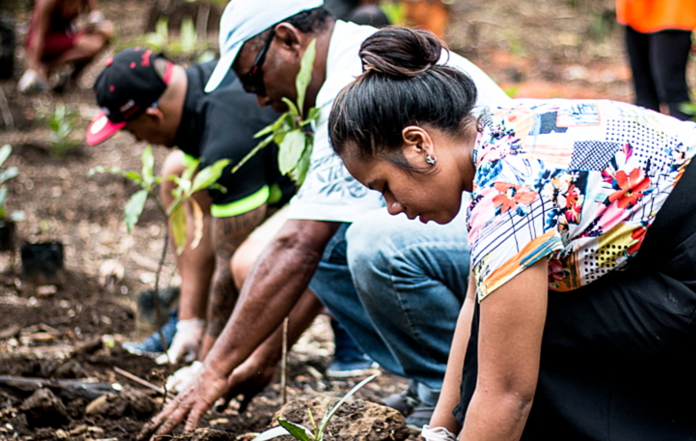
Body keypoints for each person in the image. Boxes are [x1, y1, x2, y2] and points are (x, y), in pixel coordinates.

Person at [327, 27, 696, 441]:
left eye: (385, 187)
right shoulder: (498, 135)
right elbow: (477, 303)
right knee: (501, 324)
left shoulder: (508, 186)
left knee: (519, 345)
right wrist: (440, 431)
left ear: (418, 145)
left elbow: (507, 394)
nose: (392, 208)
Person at [138, 0, 509, 438]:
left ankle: (452, 389)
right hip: (473, 228)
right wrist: (263, 359)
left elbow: (300, 245)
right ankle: (433, 384)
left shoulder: (348, 84)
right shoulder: (354, 59)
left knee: (375, 244)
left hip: (504, 224)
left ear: (289, 41)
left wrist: (213, 370)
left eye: (254, 78)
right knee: (348, 237)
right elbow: (323, 245)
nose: (259, 98)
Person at [85, 48, 327, 376]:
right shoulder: (202, 80)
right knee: (176, 172)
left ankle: (346, 334)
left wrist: (207, 365)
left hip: (325, 199)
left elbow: (226, 271)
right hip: (270, 175)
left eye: (132, 131)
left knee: (246, 266)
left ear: (154, 117)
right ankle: (188, 323)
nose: (140, 141)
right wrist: (191, 323)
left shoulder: (227, 138)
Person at [616, 0, 696, 121]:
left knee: (673, 92)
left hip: (675, 10)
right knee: (644, 96)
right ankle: (648, 139)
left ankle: (689, 138)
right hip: (636, 10)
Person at [20, 0, 113, 93]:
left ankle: (69, 79)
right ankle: (44, 69)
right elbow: (38, 35)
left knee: (107, 31)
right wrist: (32, 69)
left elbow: (94, 17)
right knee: (91, 45)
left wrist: (97, 25)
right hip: (45, 42)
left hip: (64, 36)